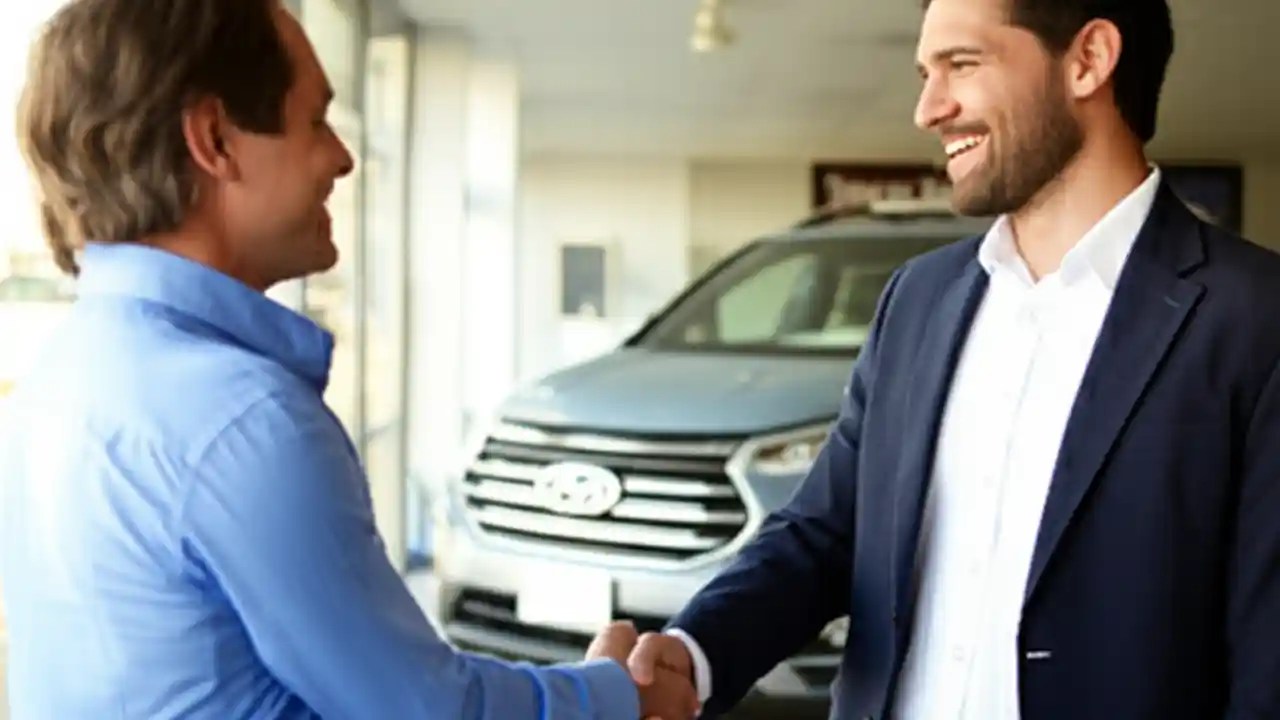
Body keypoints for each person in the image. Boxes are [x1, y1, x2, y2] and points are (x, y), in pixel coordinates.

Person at [0, 1, 699, 718]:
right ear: (215, 138)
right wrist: (620, 701)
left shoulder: (58, 377)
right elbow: (424, 711)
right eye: (314, 121)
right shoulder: (243, 418)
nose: (342, 156)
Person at [625, 0, 1280, 718]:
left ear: (1088, 59)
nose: (928, 109)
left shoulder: (1253, 319)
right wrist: (694, 654)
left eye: (961, 64)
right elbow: (825, 530)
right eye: (924, 73)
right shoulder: (917, 299)